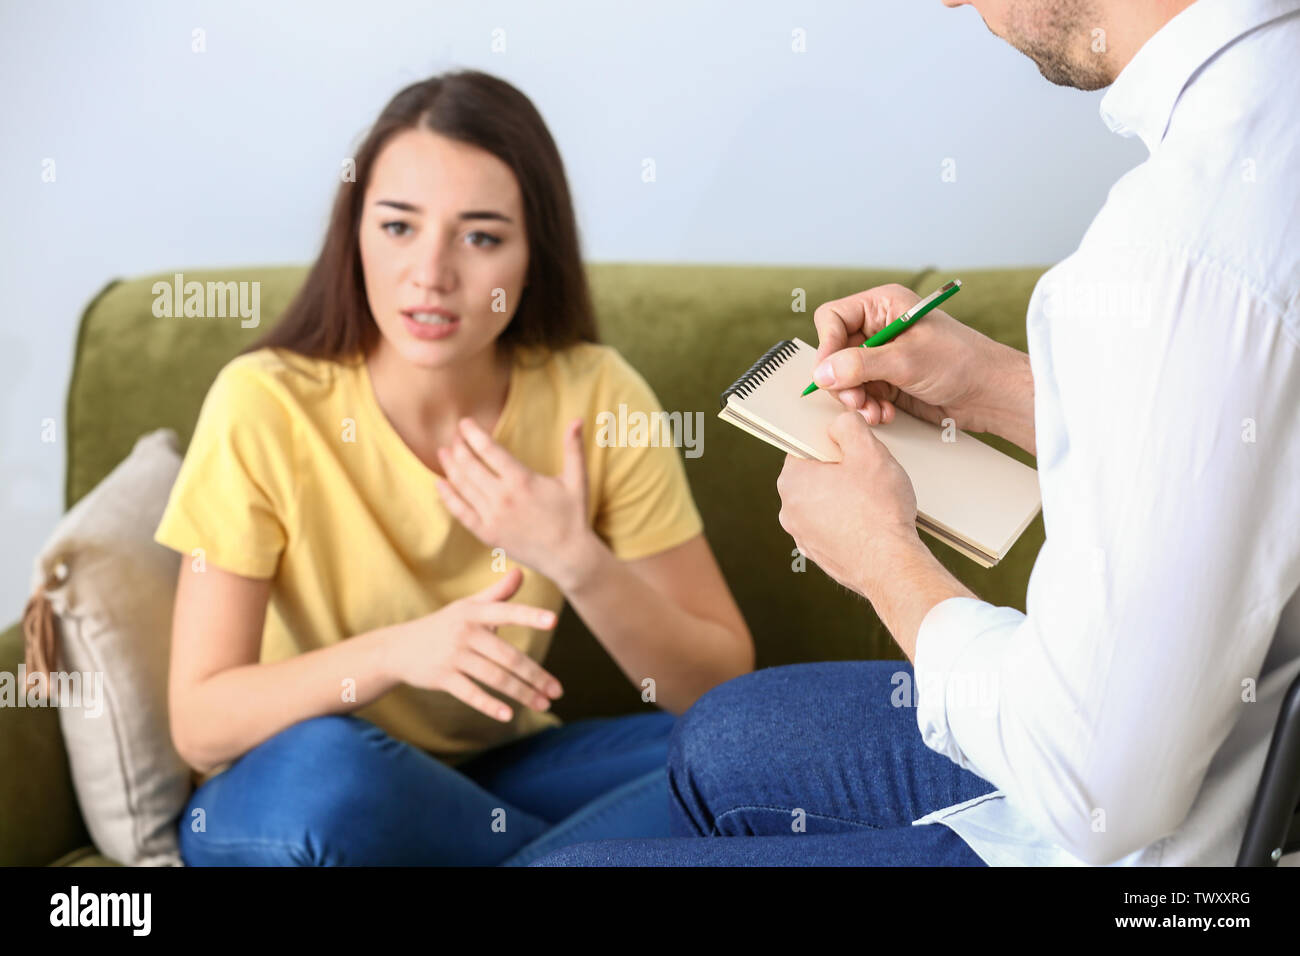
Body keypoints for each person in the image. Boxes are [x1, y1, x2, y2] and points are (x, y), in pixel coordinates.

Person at [533, 0, 1300, 866]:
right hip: (1220, 752)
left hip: (1164, 854)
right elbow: (1235, 446)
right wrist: (998, 389)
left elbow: (1096, 794)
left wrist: (886, 562)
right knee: (724, 743)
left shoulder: (1179, 255)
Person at [154, 70, 753, 866]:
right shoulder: (264, 403)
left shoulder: (596, 393)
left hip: (493, 781)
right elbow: (199, 719)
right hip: (295, 776)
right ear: (354, 233)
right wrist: (400, 652)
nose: (430, 274)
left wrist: (575, 559)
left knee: (742, 754)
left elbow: (714, 688)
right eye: (398, 227)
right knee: (335, 782)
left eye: (480, 236)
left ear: (534, 253)